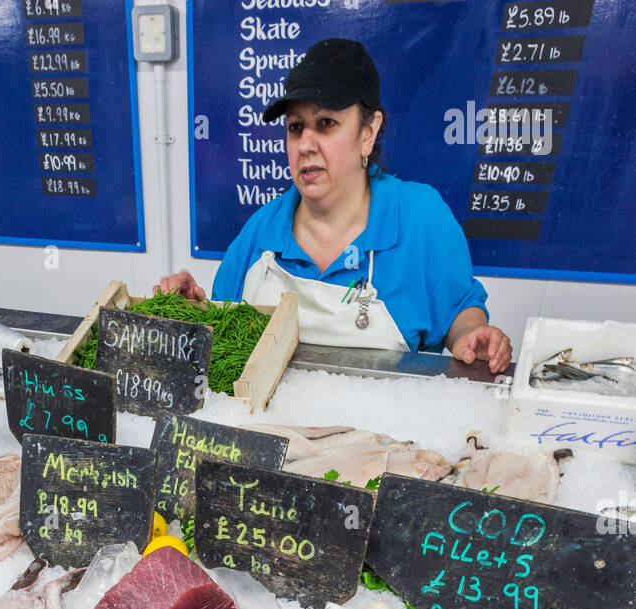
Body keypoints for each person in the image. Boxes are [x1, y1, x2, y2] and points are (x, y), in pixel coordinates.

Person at [157, 38, 511, 373]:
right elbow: (225, 339)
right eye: (296, 127)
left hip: (384, 434)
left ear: (368, 133)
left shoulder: (420, 219)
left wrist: (471, 337)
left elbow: (458, 314)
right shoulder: (261, 232)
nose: (305, 144)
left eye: (325, 123)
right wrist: (196, 315)